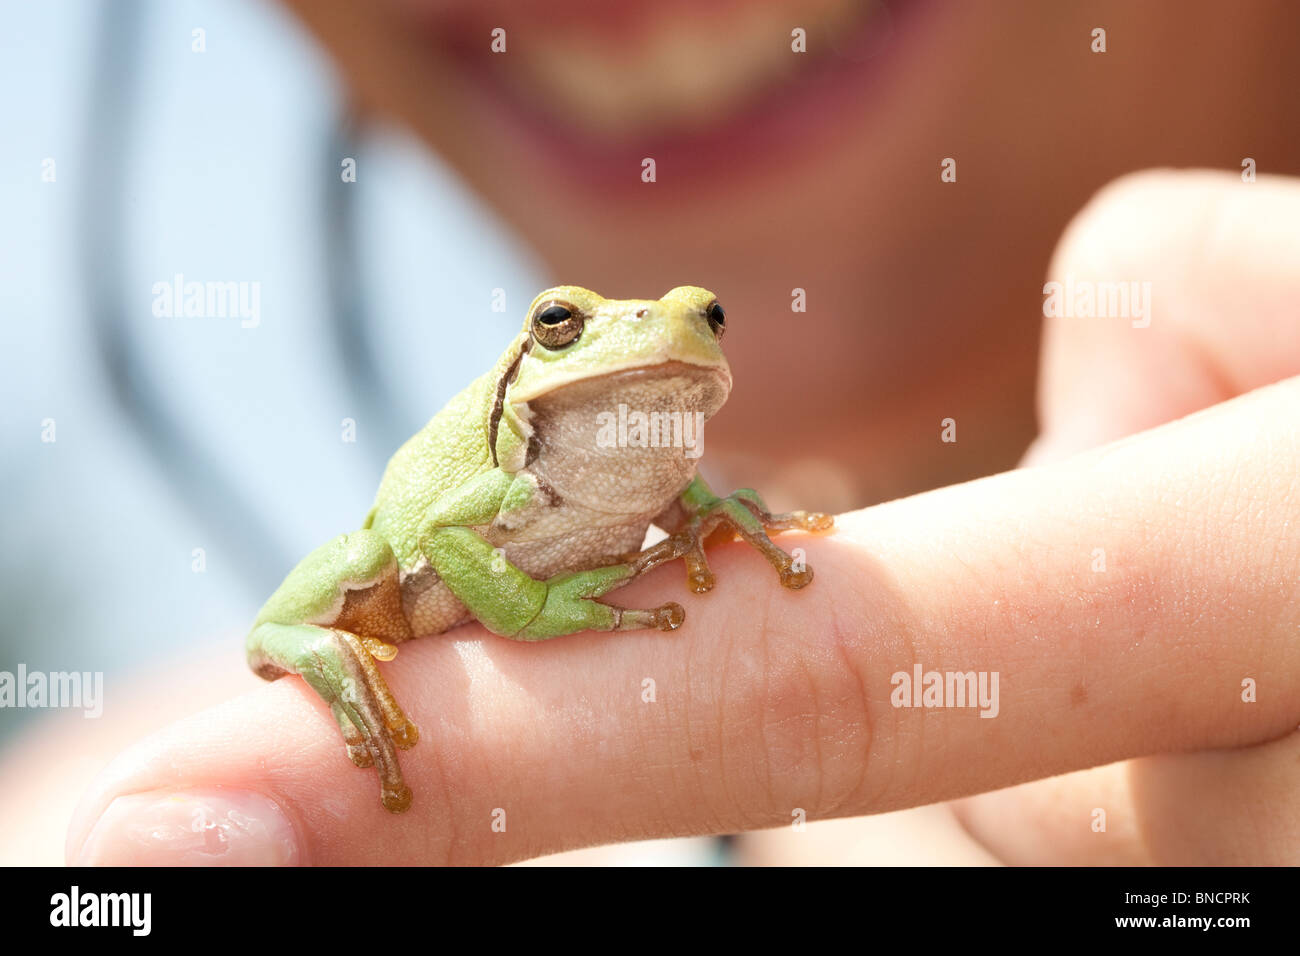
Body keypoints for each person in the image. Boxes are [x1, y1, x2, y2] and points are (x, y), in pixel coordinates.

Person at [8, 0, 1300, 865]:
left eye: (704, 319)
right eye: (570, 330)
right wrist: (554, 614)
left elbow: (681, 509)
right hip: (409, 585)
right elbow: (454, 545)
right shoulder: (149, 811)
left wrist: (725, 524)